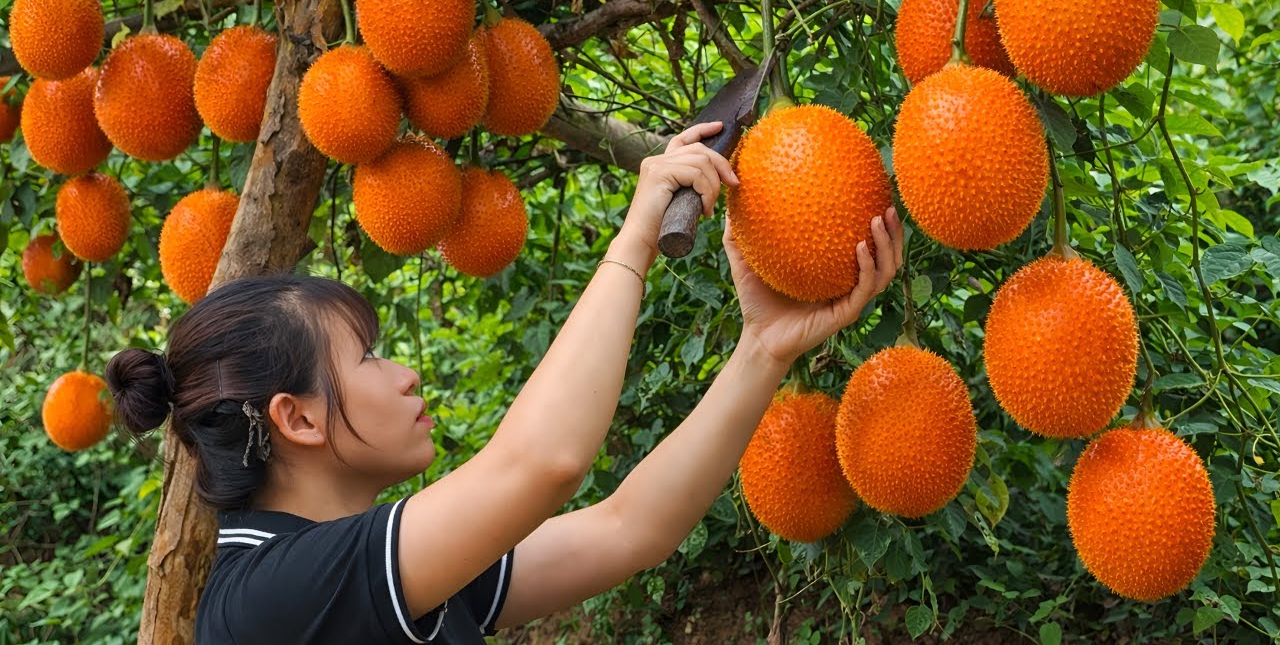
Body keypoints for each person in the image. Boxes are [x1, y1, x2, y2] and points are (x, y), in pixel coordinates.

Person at [107, 121, 904, 644]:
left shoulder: (368, 566)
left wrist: (763, 350)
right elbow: (543, 461)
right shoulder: (267, 602)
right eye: (371, 358)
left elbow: (627, 530)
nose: (406, 373)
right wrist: (634, 239)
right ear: (299, 419)